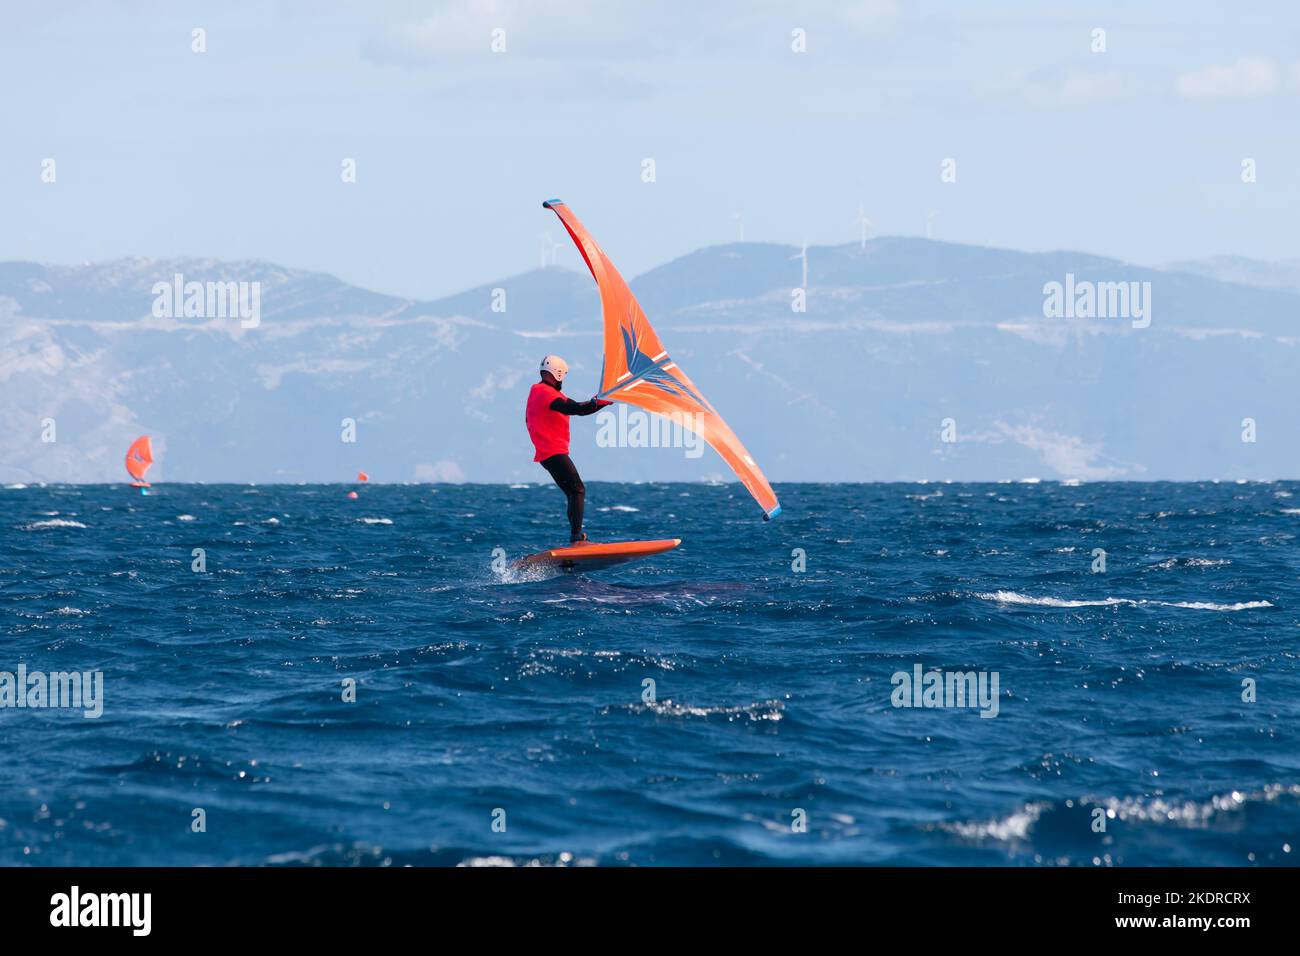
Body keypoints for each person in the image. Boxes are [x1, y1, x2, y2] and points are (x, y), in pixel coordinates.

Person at [525, 355, 612, 543]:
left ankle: (576, 536)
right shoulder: (544, 392)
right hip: (553, 453)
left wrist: (601, 402)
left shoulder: (540, 392)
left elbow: (580, 408)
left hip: (547, 455)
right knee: (578, 490)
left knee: (573, 493)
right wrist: (598, 402)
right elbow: (573, 408)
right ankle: (576, 538)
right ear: (558, 374)